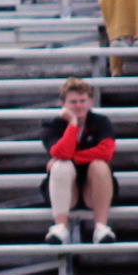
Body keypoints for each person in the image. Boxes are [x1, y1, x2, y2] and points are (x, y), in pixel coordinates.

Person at [41, 76, 118, 246]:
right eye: (73, 102)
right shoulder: (53, 125)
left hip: (95, 188)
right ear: (63, 104)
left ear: (90, 101)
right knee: (61, 166)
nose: (78, 105)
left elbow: (106, 152)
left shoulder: (101, 122)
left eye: (82, 100)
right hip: (66, 189)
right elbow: (60, 152)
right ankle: (60, 226)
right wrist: (73, 124)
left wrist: (73, 158)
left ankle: (101, 227)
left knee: (99, 165)